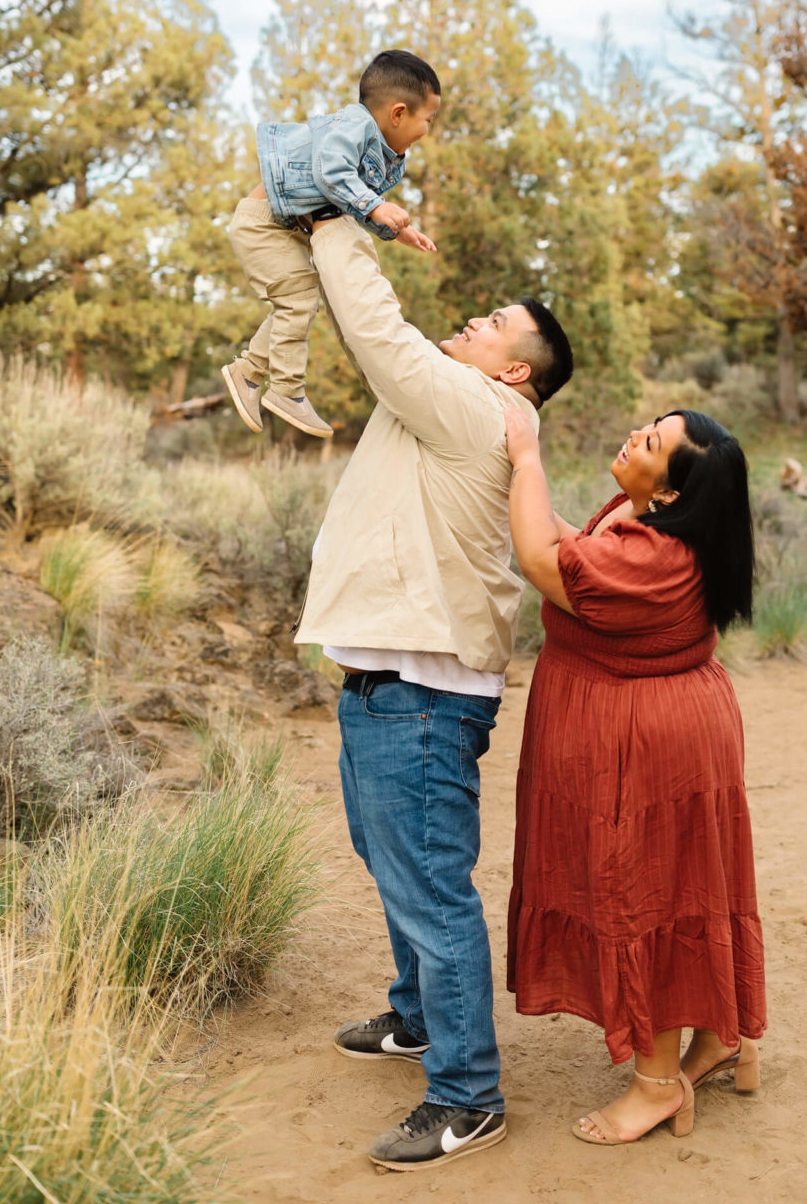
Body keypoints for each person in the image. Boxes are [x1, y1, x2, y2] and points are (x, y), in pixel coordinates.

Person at [294, 212, 573, 1173]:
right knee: (395, 863)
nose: (472, 319)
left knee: (431, 890)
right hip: (387, 684)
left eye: (494, 320)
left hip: (419, 695)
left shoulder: (470, 403)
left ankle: (468, 1096)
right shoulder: (466, 408)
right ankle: (418, 1020)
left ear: (514, 373)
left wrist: (336, 220)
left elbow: (374, 327)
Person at [502, 405, 766, 1147]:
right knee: (682, 884)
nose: (632, 435)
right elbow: (566, 538)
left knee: (642, 892)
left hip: (646, 744)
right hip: (668, 728)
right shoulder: (654, 520)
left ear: (675, 491)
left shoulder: (653, 552)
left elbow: (541, 560)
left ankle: (656, 1086)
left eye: (651, 442)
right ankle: (718, 1037)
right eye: (647, 425)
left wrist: (526, 456)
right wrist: (515, 485)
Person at [222, 49, 441, 439]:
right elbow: (331, 172)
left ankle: (249, 373)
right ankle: (287, 391)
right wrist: (376, 206)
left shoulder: (374, 145)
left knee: (301, 299)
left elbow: (349, 201)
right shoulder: (352, 125)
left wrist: (394, 229)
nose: (428, 129)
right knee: (299, 297)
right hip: (261, 225)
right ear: (398, 113)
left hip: (281, 227)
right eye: (428, 119)